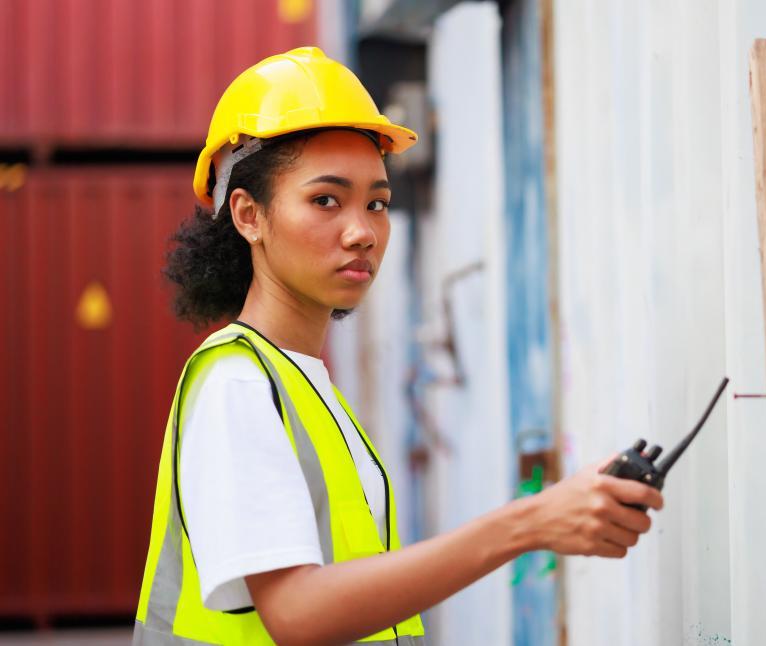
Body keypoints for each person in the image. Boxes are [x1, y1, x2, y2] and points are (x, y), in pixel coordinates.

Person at [133, 47, 663, 646]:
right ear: (249, 216)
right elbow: (298, 615)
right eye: (326, 200)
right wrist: (528, 524)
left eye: (377, 203)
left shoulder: (304, 385)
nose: (362, 232)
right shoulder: (238, 383)